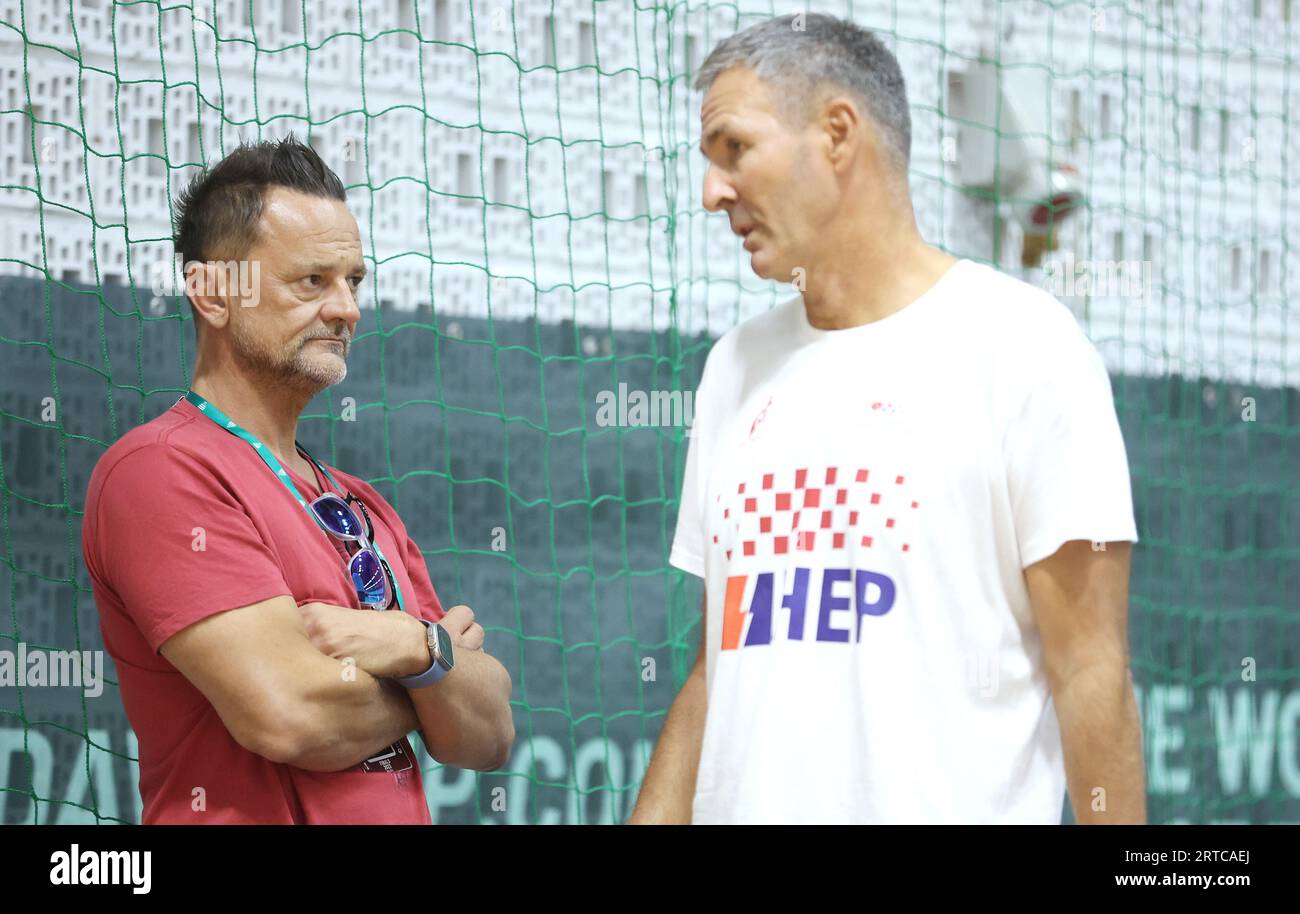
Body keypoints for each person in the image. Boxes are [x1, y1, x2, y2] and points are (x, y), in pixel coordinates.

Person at [630, 13, 1145, 824]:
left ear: (837, 133)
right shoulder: (732, 367)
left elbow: (1092, 670)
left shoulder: (1027, 347)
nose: (712, 192)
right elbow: (717, 667)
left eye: (734, 149)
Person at [82, 136, 514, 824]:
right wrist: (436, 675)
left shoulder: (362, 502)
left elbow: (489, 733)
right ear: (214, 294)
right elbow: (291, 717)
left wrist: (411, 646)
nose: (347, 309)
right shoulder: (159, 471)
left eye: (354, 280)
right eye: (312, 281)